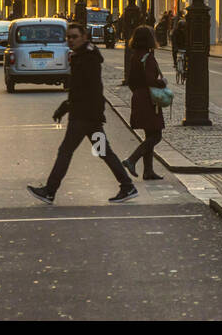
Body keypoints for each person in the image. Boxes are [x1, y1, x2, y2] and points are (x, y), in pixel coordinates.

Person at [27, 22, 137, 206]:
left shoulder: (87, 58)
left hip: (83, 115)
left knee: (66, 151)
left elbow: (84, 88)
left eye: (74, 37)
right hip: (90, 115)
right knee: (103, 151)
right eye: (68, 37)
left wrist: (67, 106)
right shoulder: (85, 55)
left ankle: (50, 191)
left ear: (84, 37)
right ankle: (127, 185)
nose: (70, 40)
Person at [122, 24, 166, 182]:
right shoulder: (148, 56)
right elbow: (150, 80)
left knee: (150, 134)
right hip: (148, 99)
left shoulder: (135, 55)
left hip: (139, 96)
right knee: (156, 135)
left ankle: (148, 171)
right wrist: (162, 83)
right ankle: (131, 160)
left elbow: (131, 80)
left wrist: (138, 92)